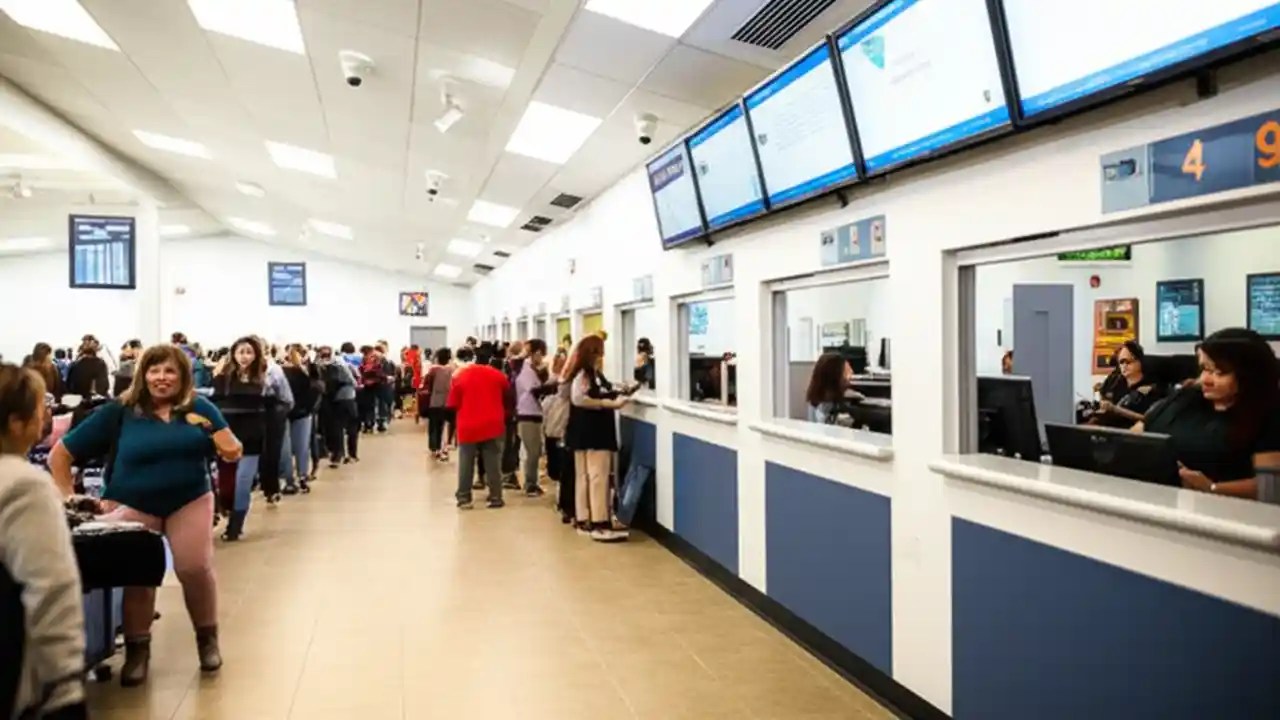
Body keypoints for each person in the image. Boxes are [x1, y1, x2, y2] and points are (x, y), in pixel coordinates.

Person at [50, 345, 241, 685]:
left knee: (194, 567)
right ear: (143, 375)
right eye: (154, 371)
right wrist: (69, 498)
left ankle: (207, 641)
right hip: (133, 500)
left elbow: (232, 450)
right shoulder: (121, 411)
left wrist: (214, 432)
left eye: (170, 371)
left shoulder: (199, 406)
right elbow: (61, 454)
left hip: (189, 498)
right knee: (139, 573)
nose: (162, 378)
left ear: (182, 376)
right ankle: (138, 650)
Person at [1, 364, 87, 720]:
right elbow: (50, 590)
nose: (46, 417)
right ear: (17, 423)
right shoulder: (22, 485)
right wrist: (64, 686)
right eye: (40, 410)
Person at [1136, 328, 1280, 499]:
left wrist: (1211, 488)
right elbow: (1133, 436)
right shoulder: (1184, 398)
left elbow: (1271, 488)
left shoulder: (1269, 415)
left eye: (1219, 373)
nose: (1206, 379)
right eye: (1204, 369)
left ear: (1249, 376)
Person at [563, 335, 629, 542]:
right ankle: (600, 523)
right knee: (597, 477)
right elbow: (580, 399)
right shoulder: (585, 375)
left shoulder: (587, 374)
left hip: (581, 432)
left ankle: (585, 519)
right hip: (593, 432)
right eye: (600, 352)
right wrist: (611, 404)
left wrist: (616, 392)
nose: (603, 356)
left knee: (584, 476)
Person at [210, 337, 270, 540]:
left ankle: (235, 526)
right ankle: (225, 510)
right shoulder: (222, 379)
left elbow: (283, 401)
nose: (244, 357)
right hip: (225, 437)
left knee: (243, 482)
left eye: (249, 352)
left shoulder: (266, 378)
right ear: (233, 354)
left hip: (252, 438)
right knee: (226, 484)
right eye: (240, 352)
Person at [447, 346, 510, 509]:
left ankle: (464, 498)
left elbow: (453, 403)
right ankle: (496, 497)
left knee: (466, 462)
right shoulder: (499, 376)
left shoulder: (460, 376)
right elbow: (508, 398)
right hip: (493, 424)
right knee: (493, 463)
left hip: (468, 425)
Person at [514, 339, 552, 497]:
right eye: (541, 355)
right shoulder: (526, 369)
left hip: (534, 413)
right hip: (526, 413)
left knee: (535, 451)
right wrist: (555, 385)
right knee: (533, 452)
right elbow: (534, 390)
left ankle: (532, 482)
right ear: (537, 353)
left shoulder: (531, 368)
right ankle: (530, 484)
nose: (541, 359)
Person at [1092, 341, 1162, 428]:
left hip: (1131, 433)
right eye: (1121, 362)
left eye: (1128, 362)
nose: (1124, 366)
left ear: (1139, 361)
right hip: (1106, 429)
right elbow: (1104, 397)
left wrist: (1116, 409)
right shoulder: (1114, 380)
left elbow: (1149, 419)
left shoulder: (1152, 387)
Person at [281, 347, 321, 494]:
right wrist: (309, 409)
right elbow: (317, 389)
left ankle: (289, 480)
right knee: (302, 447)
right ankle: (302, 476)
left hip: (285, 414)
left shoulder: (280, 372)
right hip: (303, 413)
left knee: (285, 448)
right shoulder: (308, 372)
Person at [316, 346, 359, 467]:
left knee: (337, 428)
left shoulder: (322, 366)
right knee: (351, 428)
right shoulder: (342, 362)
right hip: (349, 397)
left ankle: (338, 455)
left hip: (335, 399)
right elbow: (355, 378)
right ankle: (352, 455)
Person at [806, 353, 866, 425]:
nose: (851, 373)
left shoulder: (816, 400)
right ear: (835, 376)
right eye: (846, 371)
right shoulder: (828, 408)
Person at [423, 348, 455, 461]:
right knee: (445, 425)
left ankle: (434, 447)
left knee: (434, 426)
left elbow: (428, 385)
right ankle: (444, 447)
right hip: (449, 401)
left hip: (435, 400)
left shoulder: (433, 370)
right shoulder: (452, 370)